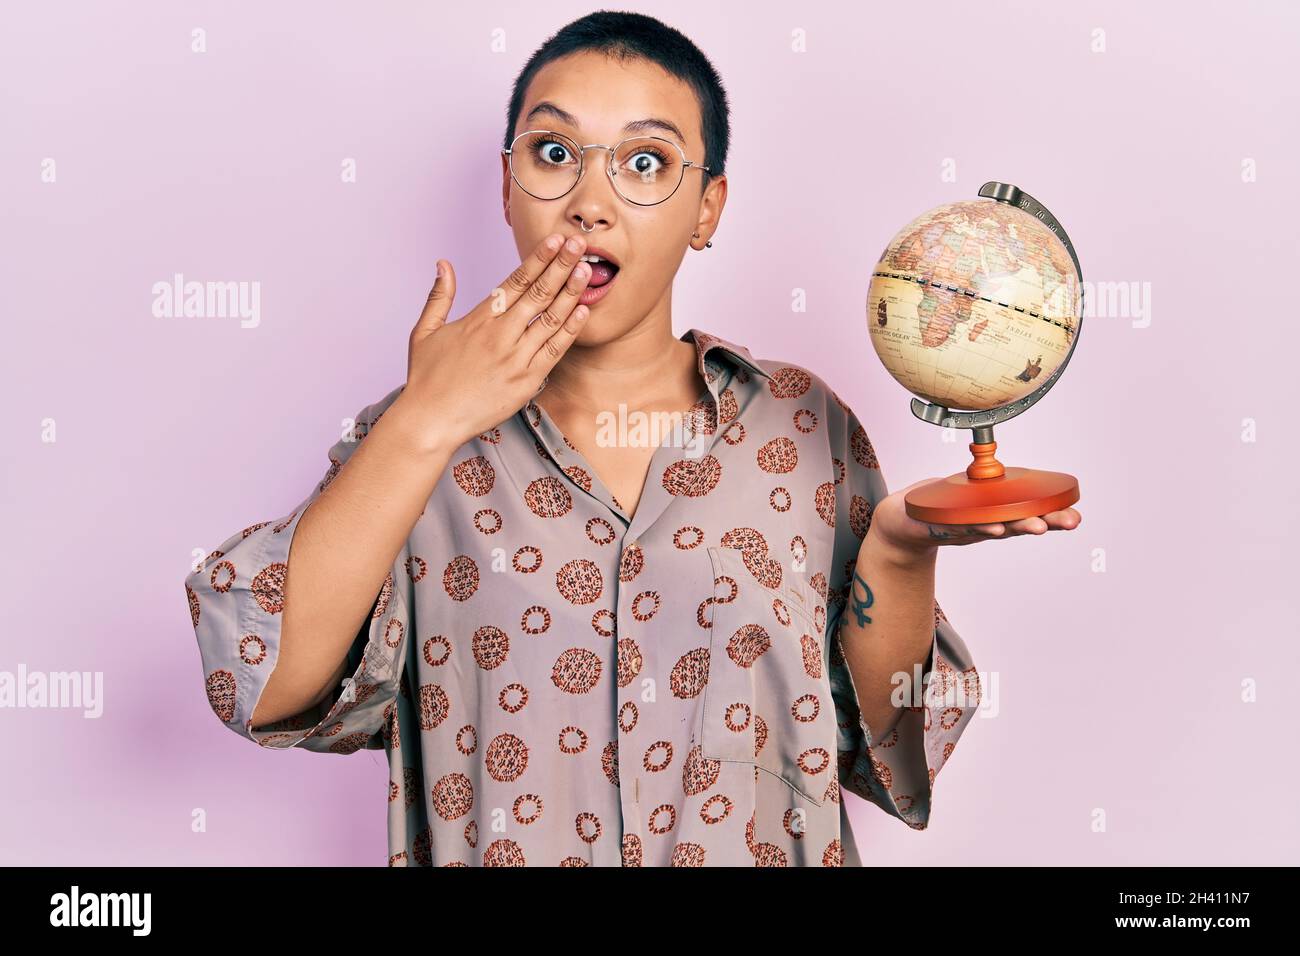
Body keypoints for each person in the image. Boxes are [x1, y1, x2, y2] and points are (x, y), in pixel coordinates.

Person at [184, 11, 1080, 867]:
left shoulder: (806, 428)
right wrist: (425, 421)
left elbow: (889, 740)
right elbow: (261, 681)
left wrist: (896, 553)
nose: (589, 203)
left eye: (646, 162)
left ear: (707, 208)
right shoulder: (413, 437)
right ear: (506, 187)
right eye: (554, 154)